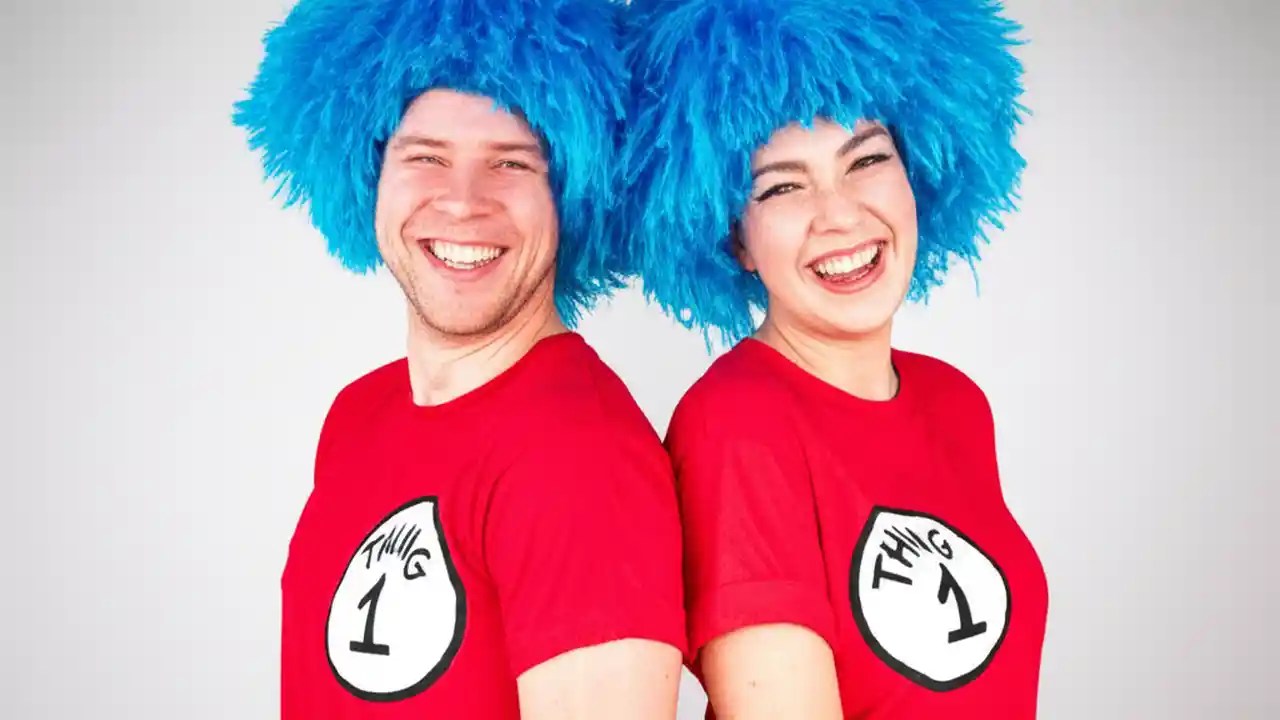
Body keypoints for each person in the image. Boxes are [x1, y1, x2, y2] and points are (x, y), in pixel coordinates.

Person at [233, 1, 685, 717]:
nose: (463, 202)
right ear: (370, 173)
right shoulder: (360, 415)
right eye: (426, 157)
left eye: (510, 162)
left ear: (568, 196)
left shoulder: (582, 456)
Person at [620, 0, 1049, 717]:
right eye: (783, 186)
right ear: (736, 237)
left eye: (867, 160)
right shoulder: (736, 426)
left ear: (916, 171)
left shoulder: (954, 403)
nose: (840, 215)